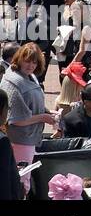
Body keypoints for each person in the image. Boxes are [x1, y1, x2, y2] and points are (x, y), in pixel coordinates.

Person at [0, 43, 55, 190]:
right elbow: (16, 120)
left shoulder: (26, 76)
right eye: (27, 60)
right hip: (20, 140)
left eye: (34, 61)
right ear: (18, 59)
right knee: (22, 182)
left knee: (23, 179)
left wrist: (47, 112)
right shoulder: (15, 81)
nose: (31, 65)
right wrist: (43, 117)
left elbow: (31, 105)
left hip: (26, 138)